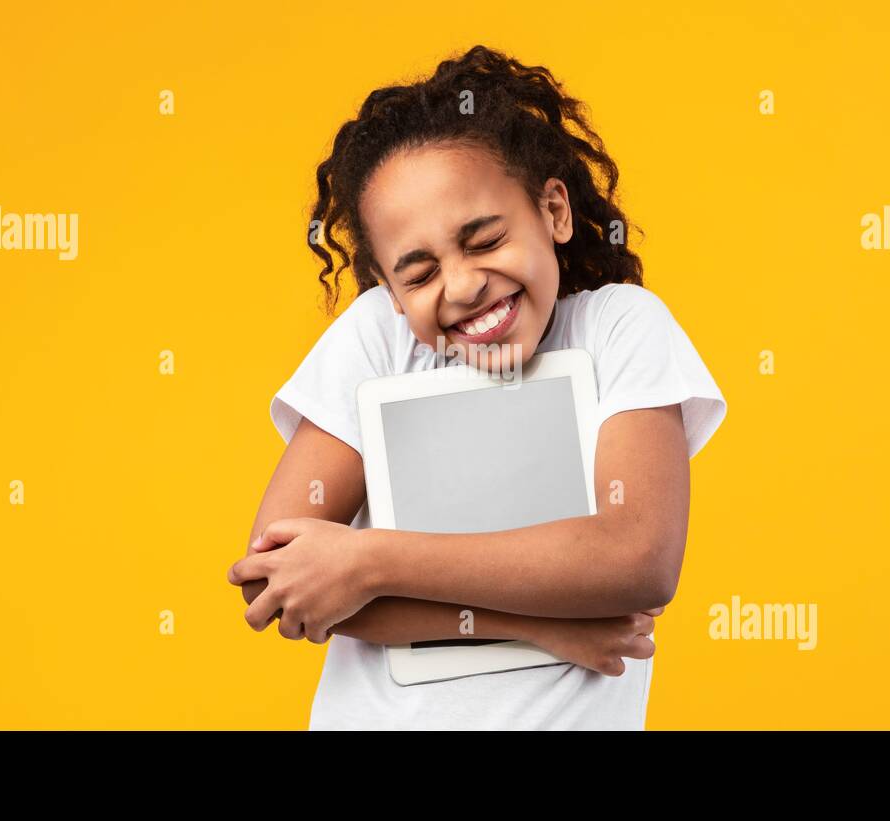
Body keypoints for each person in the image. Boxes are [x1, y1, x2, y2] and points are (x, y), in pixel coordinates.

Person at [227, 45, 727, 730]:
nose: (461, 286)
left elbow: (637, 555)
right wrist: (538, 627)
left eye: (485, 240)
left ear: (553, 210)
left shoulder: (621, 329)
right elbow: (277, 578)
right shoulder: (379, 337)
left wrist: (370, 560)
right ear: (391, 293)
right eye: (420, 273)